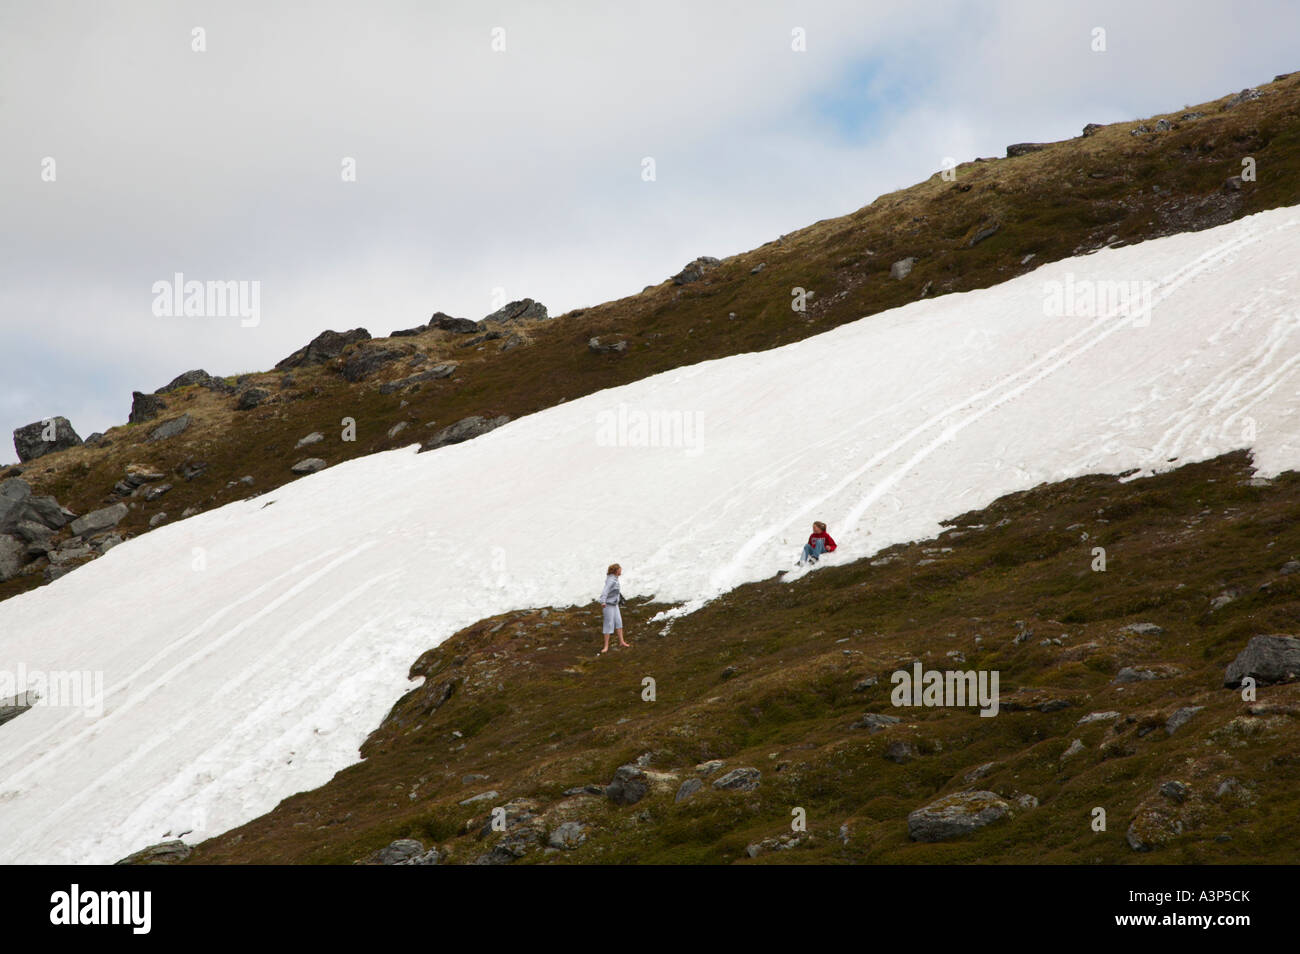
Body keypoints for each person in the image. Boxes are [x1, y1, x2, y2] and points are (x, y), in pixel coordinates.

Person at [598, 563, 631, 654]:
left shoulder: (615, 579)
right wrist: (603, 601)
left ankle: (621, 642)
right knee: (608, 624)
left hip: (615, 604)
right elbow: (605, 591)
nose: (621, 571)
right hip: (608, 605)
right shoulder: (611, 580)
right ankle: (606, 646)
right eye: (620, 569)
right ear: (616, 571)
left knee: (619, 622)